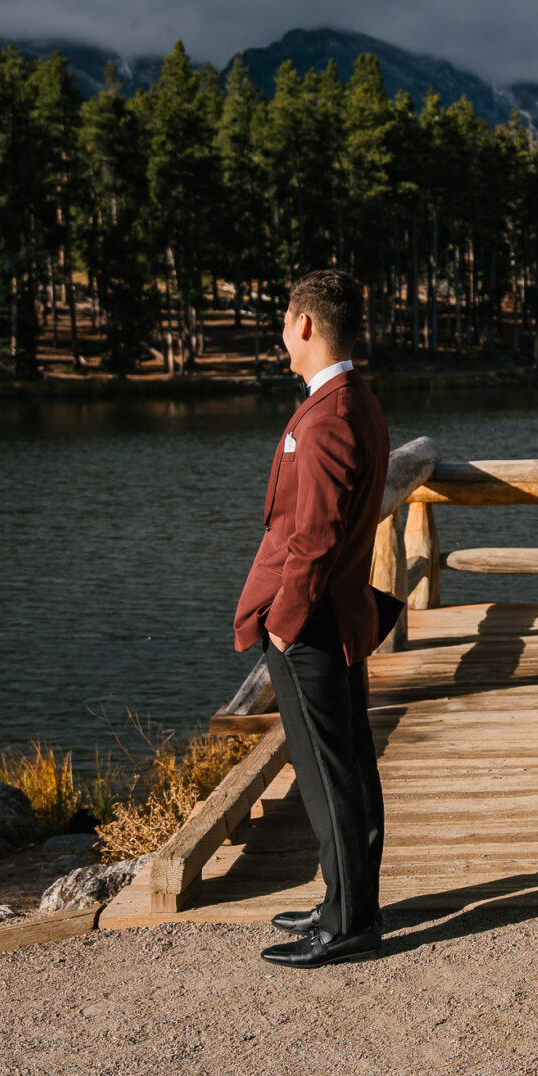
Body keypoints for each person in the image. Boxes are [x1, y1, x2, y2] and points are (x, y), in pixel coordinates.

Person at [232, 270, 393, 968]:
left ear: (305, 325)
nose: (281, 335)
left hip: (313, 622)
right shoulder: (354, 401)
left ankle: (350, 921)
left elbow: (317, 535)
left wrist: (284, 620)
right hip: (333, 614)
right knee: (348, 762)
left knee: (330, 773)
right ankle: (344, 900)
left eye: (285, 322)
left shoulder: (328, 415)